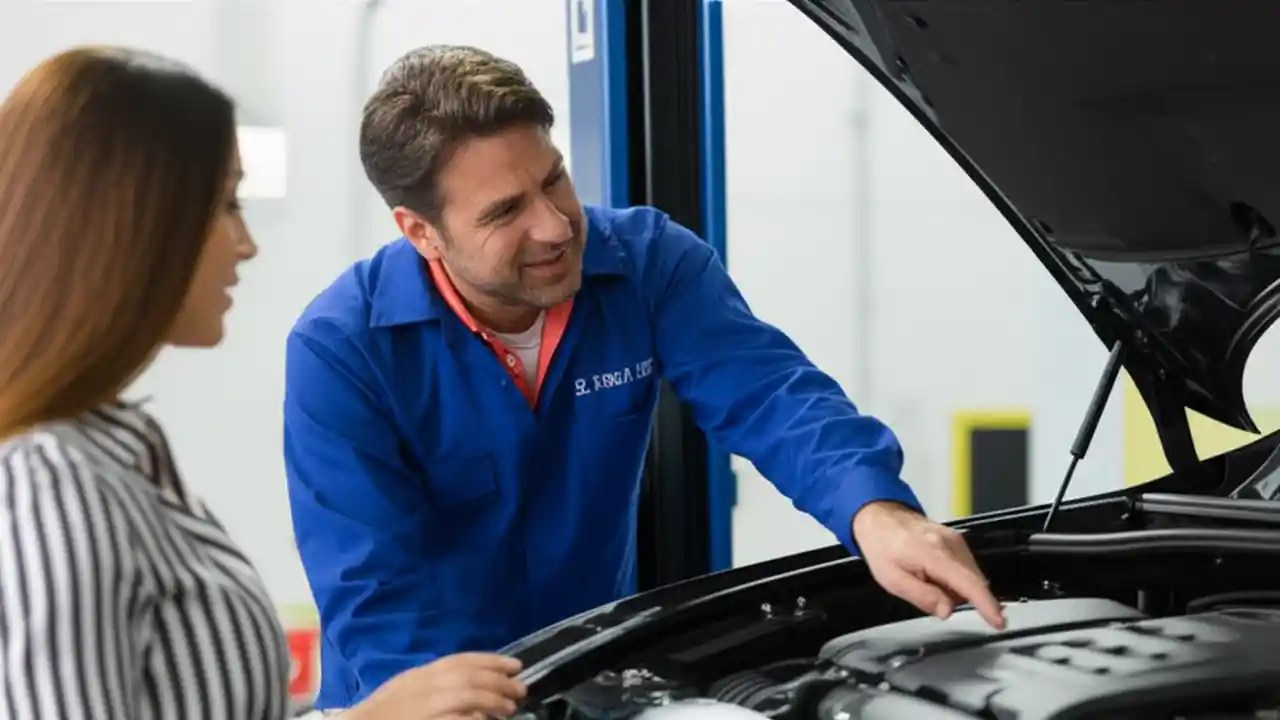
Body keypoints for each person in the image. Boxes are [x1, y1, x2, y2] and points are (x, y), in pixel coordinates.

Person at [283, 44, 1007, 711]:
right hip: (423, 699)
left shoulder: (647, 261)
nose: (556, 226)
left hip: (593, 677)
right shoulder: (343, 351)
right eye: (506, 211)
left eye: (552, 178)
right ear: (421, 232)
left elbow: (771, 395)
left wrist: (875, 511)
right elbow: (373, 587)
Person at [0, 46, 527, 720]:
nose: (245, 242)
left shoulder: (121, 449)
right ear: (129, 226)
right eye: (226, 204)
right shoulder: (50, 486)